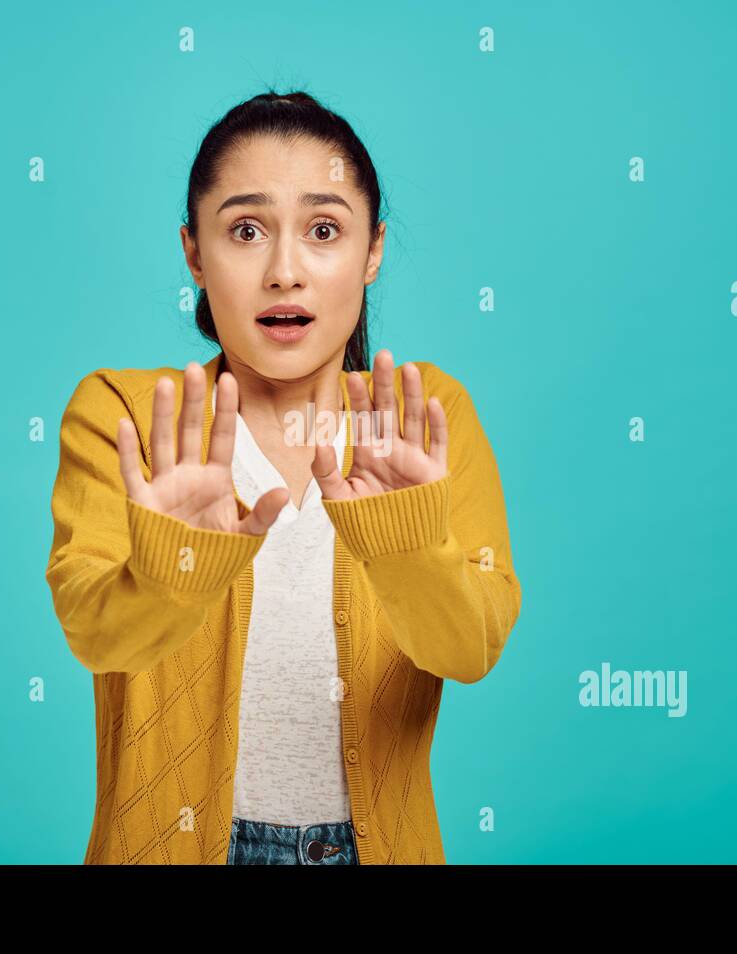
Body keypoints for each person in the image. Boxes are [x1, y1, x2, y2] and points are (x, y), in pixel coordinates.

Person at [45, 90, 521, 864]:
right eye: (245, 230)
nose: (285, 271)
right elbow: (95, 635)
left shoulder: (425, 419)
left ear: (372, 252)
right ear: (194, 252)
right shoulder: (129, 416)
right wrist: (173, 562)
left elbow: (469, 650)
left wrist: (404, 548)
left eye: (325, 230)